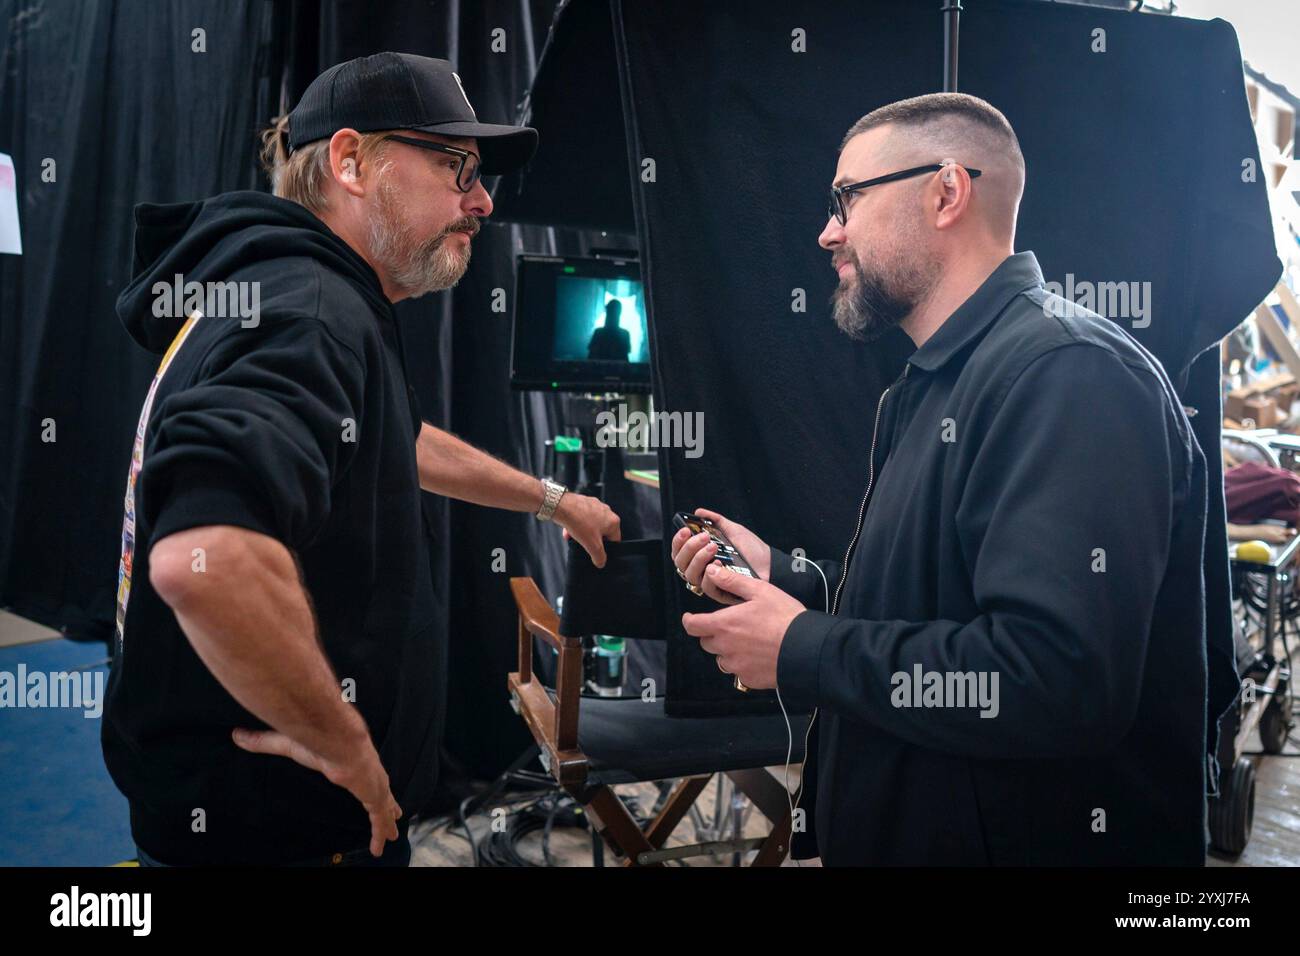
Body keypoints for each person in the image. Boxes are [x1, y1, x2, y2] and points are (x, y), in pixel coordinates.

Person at [102, 52, 620, 866]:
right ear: (349, 162)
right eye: (457, 167)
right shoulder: (313, 311)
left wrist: (553, 501)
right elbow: (206, 563)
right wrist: (345, 747)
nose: (481, 201)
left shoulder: (275, 283)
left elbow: (385, 436)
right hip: (279, 837)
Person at [672, 93, 1211, 865]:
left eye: (846, 199)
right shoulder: (936, 382)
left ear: (946, 191)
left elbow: (1050, 682)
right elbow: (938, 604)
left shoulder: (1070, 374)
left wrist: (802, 649)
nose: (829, 232)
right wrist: (788, 582)